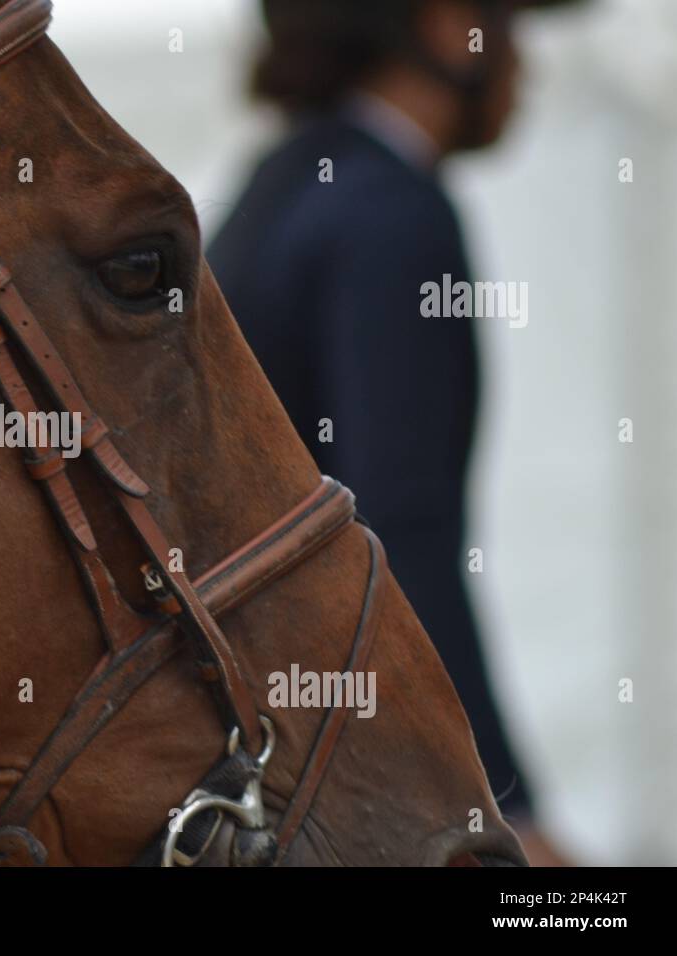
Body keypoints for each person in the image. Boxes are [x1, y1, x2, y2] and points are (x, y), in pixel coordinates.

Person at [208, 0, 581, 865]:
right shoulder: (394, 211)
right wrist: (500, 807)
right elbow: (396, 534)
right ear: (449, 24)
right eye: (511, 24)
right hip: (341, 789)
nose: (525, 64)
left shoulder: (279, 182)